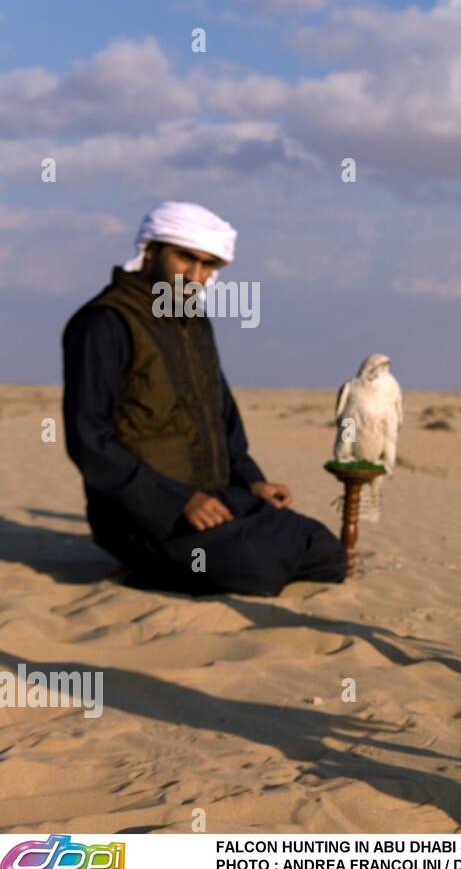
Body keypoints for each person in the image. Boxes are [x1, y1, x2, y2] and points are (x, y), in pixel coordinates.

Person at [61, 201, 348, 596]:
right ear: (150, 250)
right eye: (185, 258)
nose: (195, 275)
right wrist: (178, 501)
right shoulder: (104, 323)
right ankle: (144, 570)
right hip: (145, 516)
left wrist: (253, 482)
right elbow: (88, 438)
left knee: (326, 553)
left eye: (209, 265)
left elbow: (222, 418)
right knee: (256, 571)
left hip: (219, 500)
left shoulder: (194, 324)